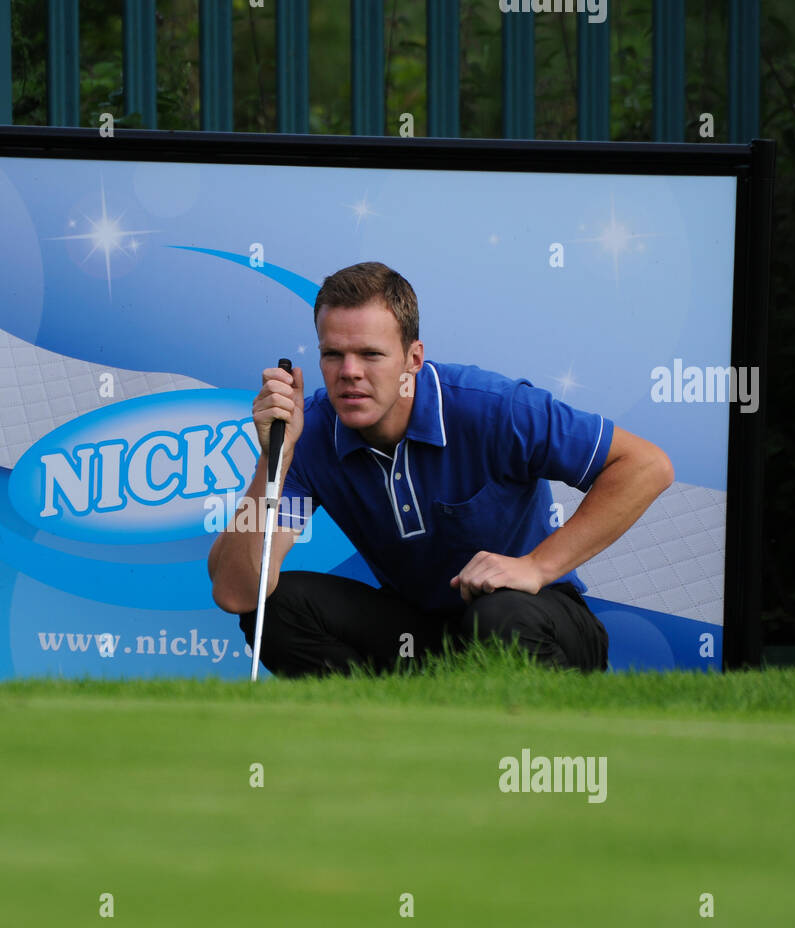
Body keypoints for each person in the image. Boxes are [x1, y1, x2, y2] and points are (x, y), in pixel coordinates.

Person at [206, 261, 674, 676]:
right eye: (333, 354)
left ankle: (519, 756)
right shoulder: (309, 432)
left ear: (412, 359)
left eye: (370, 354)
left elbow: (645, 465)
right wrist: (275, 458)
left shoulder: (490, 407)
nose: (349, 371)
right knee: (277, 610)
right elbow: (237, 594)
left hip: (536, 619)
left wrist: (536, 566)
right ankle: (381, 747)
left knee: (498, 616)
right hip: (421, 634)